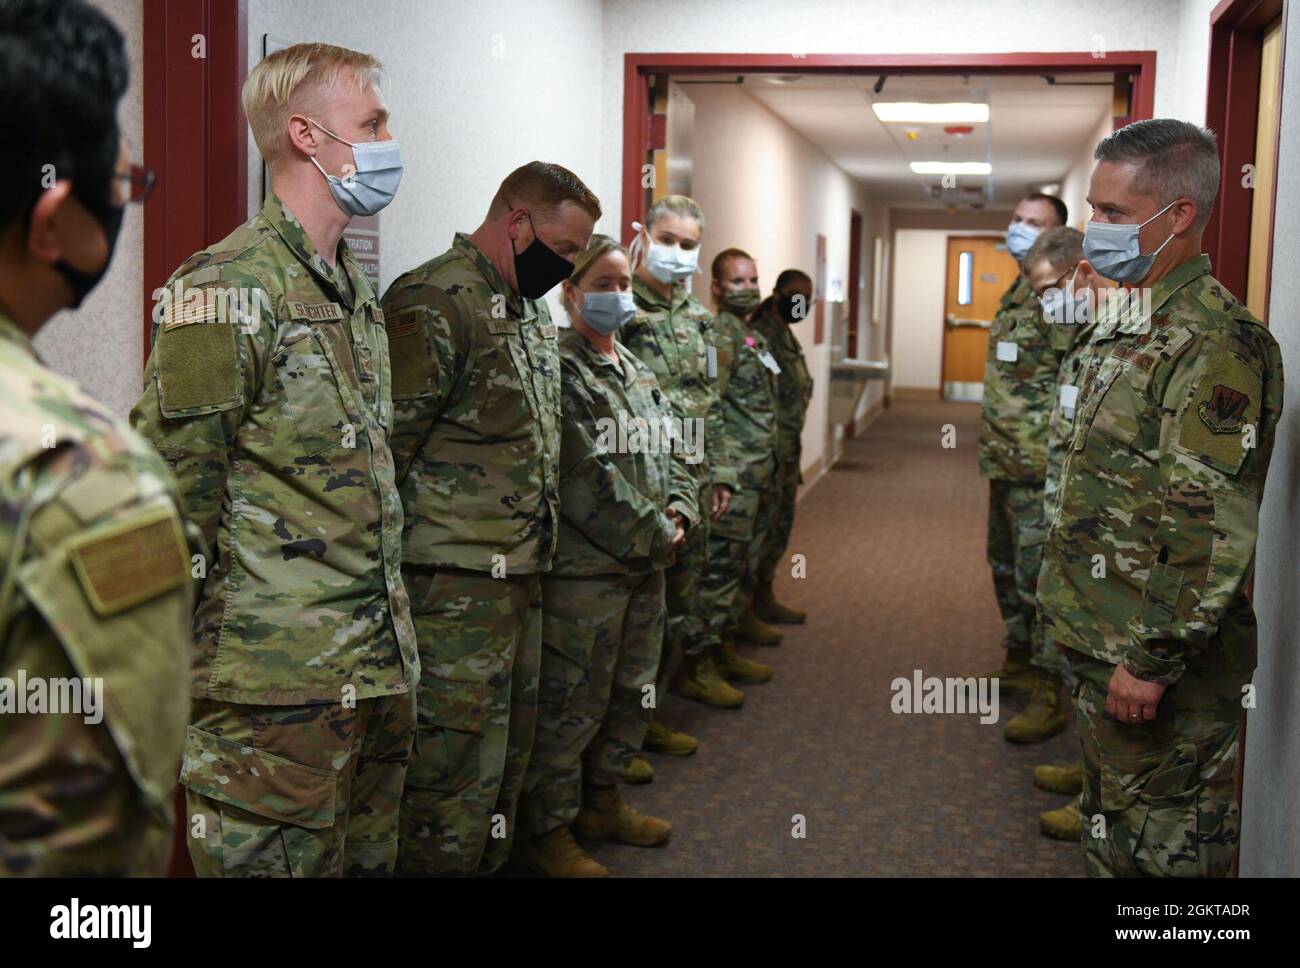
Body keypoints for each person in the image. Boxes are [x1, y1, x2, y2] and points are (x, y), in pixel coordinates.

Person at [131, 42, 417, 877]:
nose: (388, 137)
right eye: (371, 122)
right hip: (267, 698)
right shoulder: (226, 288)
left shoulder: (351, 291)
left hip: (369, 673)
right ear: (306, 135)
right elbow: (169, 498)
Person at [1038, 118, 1284, 877]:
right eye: (1092, 208)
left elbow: (1205, 521)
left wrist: (1152, 658)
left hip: (1152, 660)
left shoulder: (1216, 343)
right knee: (1116, 836)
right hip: (1096, 628)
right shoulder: (1130, 317)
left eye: (1111, 214)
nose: (1092, 229)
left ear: (1177, 214)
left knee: (1166, 861)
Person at [0, 0, 192, 876]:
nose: (125, 212)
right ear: (51, 224)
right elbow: (89, 876)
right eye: (121, 188)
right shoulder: (83, 483)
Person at [380, 161, 598, 875]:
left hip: (522, 578)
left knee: (505, 764)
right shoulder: (434, 300)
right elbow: (387, 454)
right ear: (517, 223)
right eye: (563, 250)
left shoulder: (527, 309)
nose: (567, 267)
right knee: (448, 776)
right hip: (451, 591)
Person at [517, 236, 698, 876]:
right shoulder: (559, 371)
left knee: (631, 693)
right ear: (570, 294)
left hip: (647, 566)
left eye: (624, 284)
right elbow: (581, 475)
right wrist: (655, 530)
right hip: (587, 573)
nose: (618, 296)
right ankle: (550, 834)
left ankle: (604, 801)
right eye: (603, 285)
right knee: (573, 705)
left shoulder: (637, 369)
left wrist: (682, 509)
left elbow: (676, 451)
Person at [621, 195, 741, 726]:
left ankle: (658, 713)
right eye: (667, 240)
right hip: (644, 486)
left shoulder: (699, 319)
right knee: (639, 616)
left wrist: (720, 473)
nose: (676, 252)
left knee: (682, 601)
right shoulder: (623, 308)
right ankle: (626, 735)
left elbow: (713, 401)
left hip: (693, 479)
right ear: (644, 237)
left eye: (688, 245)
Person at [1017, 226, 1110, 841]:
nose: (1047, 304)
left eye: (1052, 290)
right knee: (1085, 669)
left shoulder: (1117, 342)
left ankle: (1099, 805)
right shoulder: (1080, 342)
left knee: (1107, 675)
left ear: (1081, 273)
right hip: (1069, 524)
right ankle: (1089, 776)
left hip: (1106, 544)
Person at [976, 192, 1074, 744]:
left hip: (1041, 466)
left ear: (1055, 236)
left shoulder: (1056, 296)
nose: (1020, 228)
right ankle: (1016, 660)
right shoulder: (1017, 289)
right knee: (1004, 566)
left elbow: (1073, 378)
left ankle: (1047, 691)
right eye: (1016, 218)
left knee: (1040, 581)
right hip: (1004, 459)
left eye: (1034, 223)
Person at [698, 248, 781, 687]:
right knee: (721, 570)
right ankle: (701, 664)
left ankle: (728, 639)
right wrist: (721, 473)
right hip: (737, 477)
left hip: (760, 471)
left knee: (744, 563)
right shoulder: (719, 338)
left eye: (753, 281)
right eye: (737, 282)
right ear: (716, 288)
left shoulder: (748, 334)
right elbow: (711, 404)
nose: (748, 289)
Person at [749, 269, 815, 627]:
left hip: (788, 452)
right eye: (795, 295)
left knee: (779, 529)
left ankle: (764, 596)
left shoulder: (785, 337)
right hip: (768, 455)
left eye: (808, 297)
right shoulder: (760, 338)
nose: (801, 303)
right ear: (778, 294)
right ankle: (746, 611)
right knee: (761, 532)